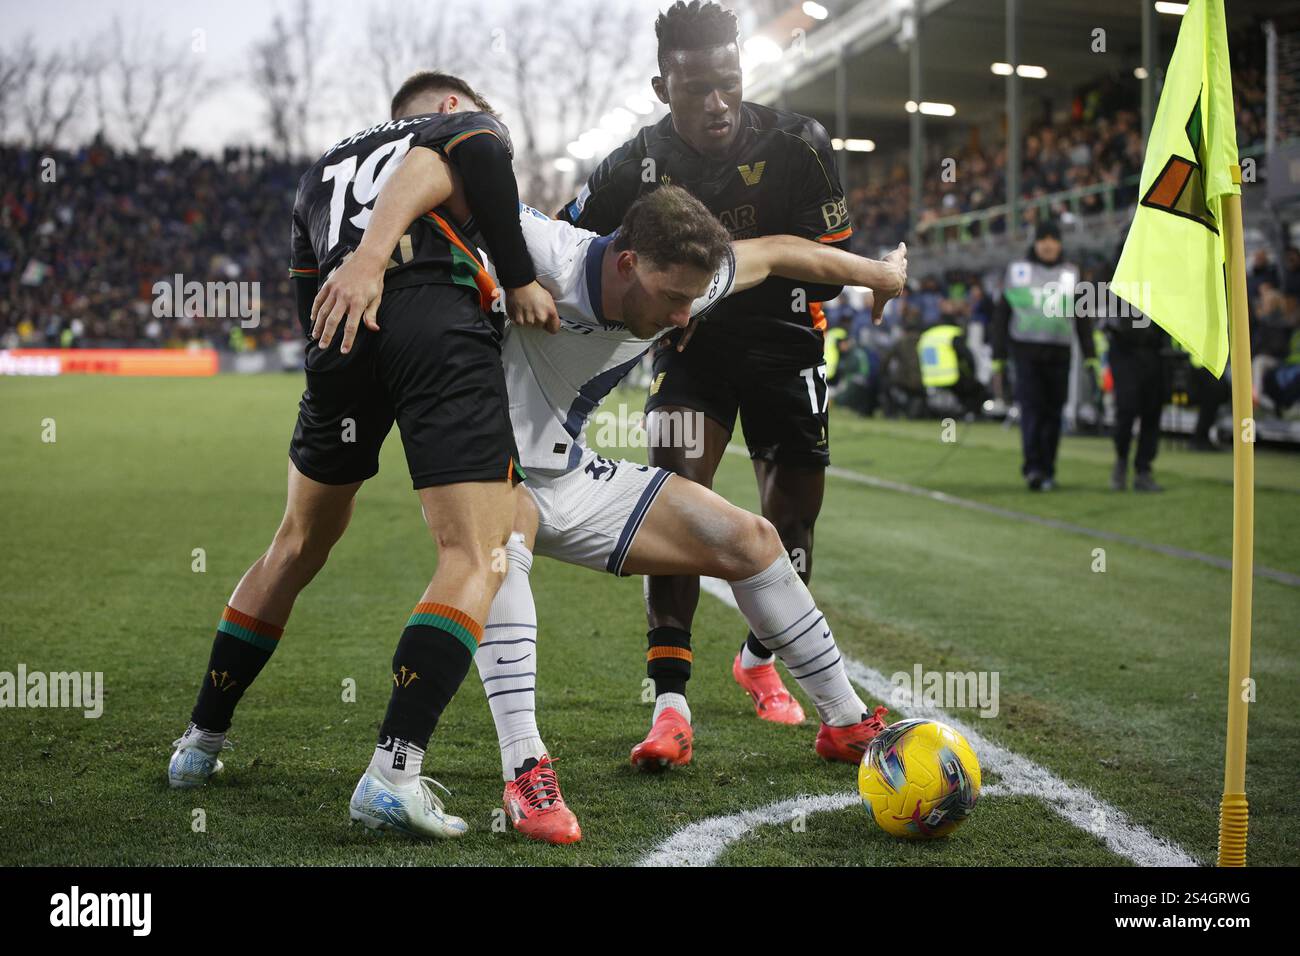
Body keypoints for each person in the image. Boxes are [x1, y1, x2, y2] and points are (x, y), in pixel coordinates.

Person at [314, 146, 908, 841]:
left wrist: (878, 273)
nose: (686, 317)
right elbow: (432, 165)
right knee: (505, 544)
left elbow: (777, 251)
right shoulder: (544, 250)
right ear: (628, 263)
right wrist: (367, 256)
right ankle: (525, 772)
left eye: (694, 297)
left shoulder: (686, 276)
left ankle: (846, 722)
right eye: (674, 298)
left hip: (569, 471)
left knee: (751, 540)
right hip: (480, 472)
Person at [166, 72, 561, 843]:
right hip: (432, 319)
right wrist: (517, 279)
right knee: (478, 553)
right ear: (452, 106)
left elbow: (309, 285)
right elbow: (481, 153)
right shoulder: (461, 129)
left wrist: (343, 333)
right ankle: (393, 773)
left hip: (340, 336)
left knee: (295, 543)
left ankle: (199, 743)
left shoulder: (319, 172)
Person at [558, 2, 866, 755]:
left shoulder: (800, 144)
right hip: (689, 349)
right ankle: (669, 705)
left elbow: (828, 271)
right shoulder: (632, 163)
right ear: (663, 88)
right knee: (678, 501)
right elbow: (572, 246)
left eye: (729, 82)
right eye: (697, 88)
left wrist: (721, 276)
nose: (718, 102)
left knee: (790, 523)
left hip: (788, 341)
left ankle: (759, 663)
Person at [990, 219, 1097, 490]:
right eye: (1043, 239)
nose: (1048, 245)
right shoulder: (1018, 271)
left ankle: (1048, 469)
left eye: (1053, 239)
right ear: (1035, 242)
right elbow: (1002, 315)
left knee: (1053, 413)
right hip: (1025, 352)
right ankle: (1033, 468)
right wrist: (998, 353)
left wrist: (1090, 354)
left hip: (1059, 353)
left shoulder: (1072, 273)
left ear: (1060, 243)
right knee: (1032, 412)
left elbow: (1083, 317)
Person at [1104, 239, 1167, 491]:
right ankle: (1121, 462)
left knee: (1152, 411)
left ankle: (1143, 470)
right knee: (1127, 409)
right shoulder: (1116, 266)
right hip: (1125, 351)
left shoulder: (1160, 269)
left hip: (1153, 351)